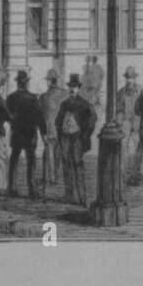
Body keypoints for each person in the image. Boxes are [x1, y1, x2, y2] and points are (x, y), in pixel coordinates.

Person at [56, 74, 96, 206]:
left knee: (78, 165)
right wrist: (60, 134)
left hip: (77, 137)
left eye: (74, 87)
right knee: (67, 164)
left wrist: (85, 135)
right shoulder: (64, 104)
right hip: (66, 137)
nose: (72, 89)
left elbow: (92, 120)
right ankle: (69, 194)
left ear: (79, 88)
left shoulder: (84, 104)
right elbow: (58, 121)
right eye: (70, 87)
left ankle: (82, 196)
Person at [6, 70, 45, 199]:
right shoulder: (33, 98)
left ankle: (11, 188)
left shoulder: (11, 98)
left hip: (17, 133)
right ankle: (32, 191)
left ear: (18, 83)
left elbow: (7, 116)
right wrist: (43, 132)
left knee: (14, 160)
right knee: (31, 161)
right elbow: (40, 116)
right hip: (30, 134)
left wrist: (13, 121)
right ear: (26, 83)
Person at [39, 69, 68, 189]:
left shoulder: (44, 97)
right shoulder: (65, 94)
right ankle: (55, 175)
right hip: (62, 129)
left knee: (49, 154)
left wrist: (42, 132)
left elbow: (40, 115)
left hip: (49, 129)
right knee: (58, 154)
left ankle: (51, 178)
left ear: (50, 82)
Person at [117, 66, 142, 168]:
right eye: (127, 78)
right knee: (123, 148)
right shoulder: (121, 92)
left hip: (137, 122)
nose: (129, 80)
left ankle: (140, 172)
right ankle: (123, 172)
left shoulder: (140, 91)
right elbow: (118, 109)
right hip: (125, 122)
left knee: (139, 148)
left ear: (134, 78)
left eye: (131, 78)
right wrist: (120, 123)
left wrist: (141, 121)